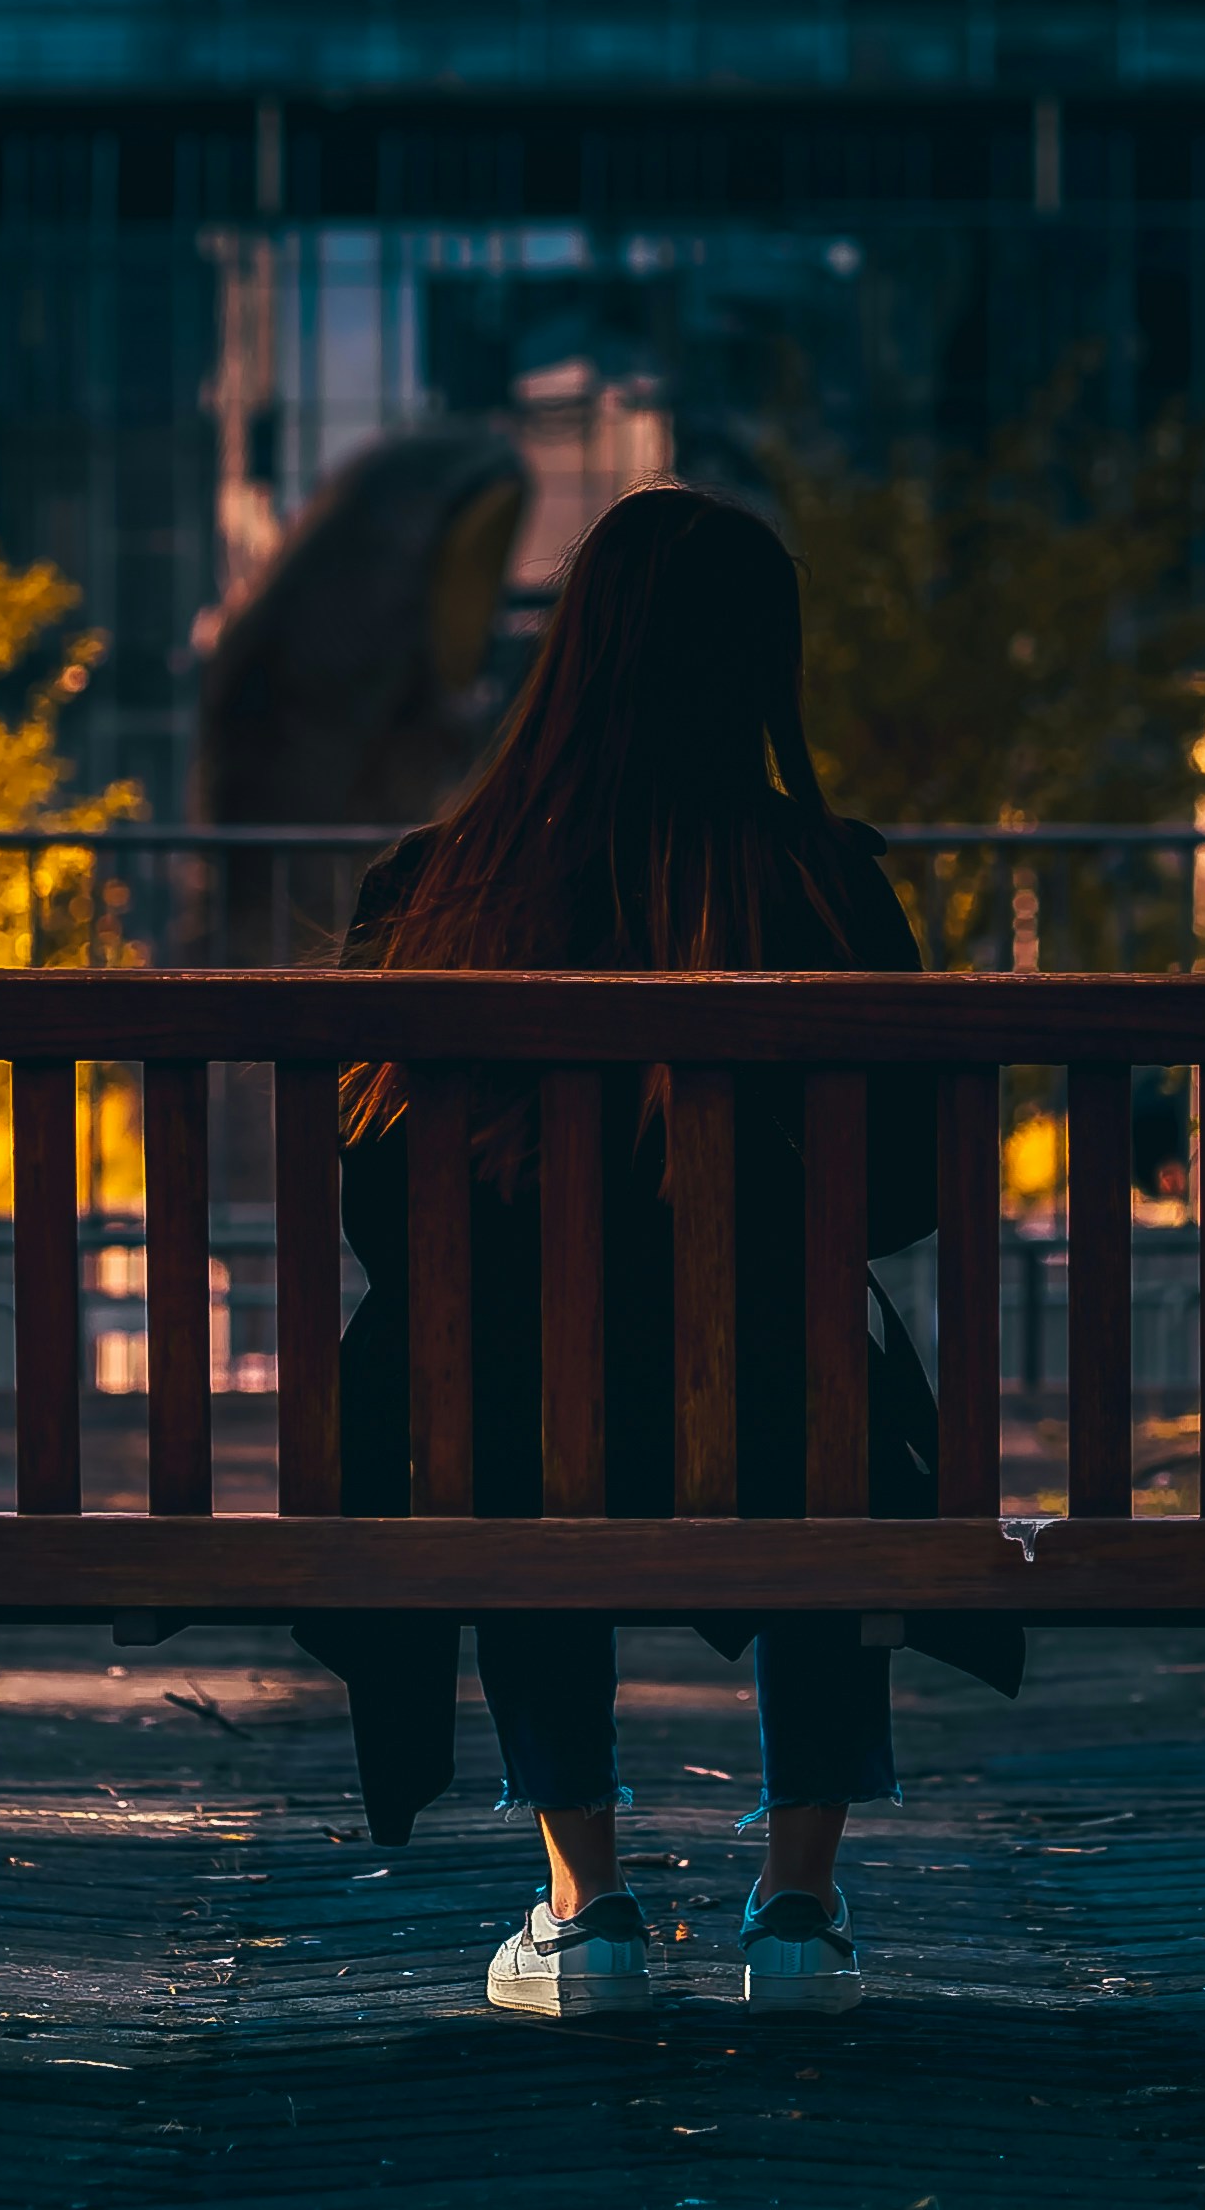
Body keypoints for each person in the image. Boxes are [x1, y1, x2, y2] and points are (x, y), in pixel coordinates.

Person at [286, 480, 1018, 2019]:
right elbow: (904, 1196)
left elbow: (375, 1216)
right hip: (778, 1414)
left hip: (507, 1430)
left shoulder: (432, 890)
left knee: (501, 1399)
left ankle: (587, 1904)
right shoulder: (827, 884)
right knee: (824, 1380)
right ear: (765, 662)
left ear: (572, 654)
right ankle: (799, 1913)